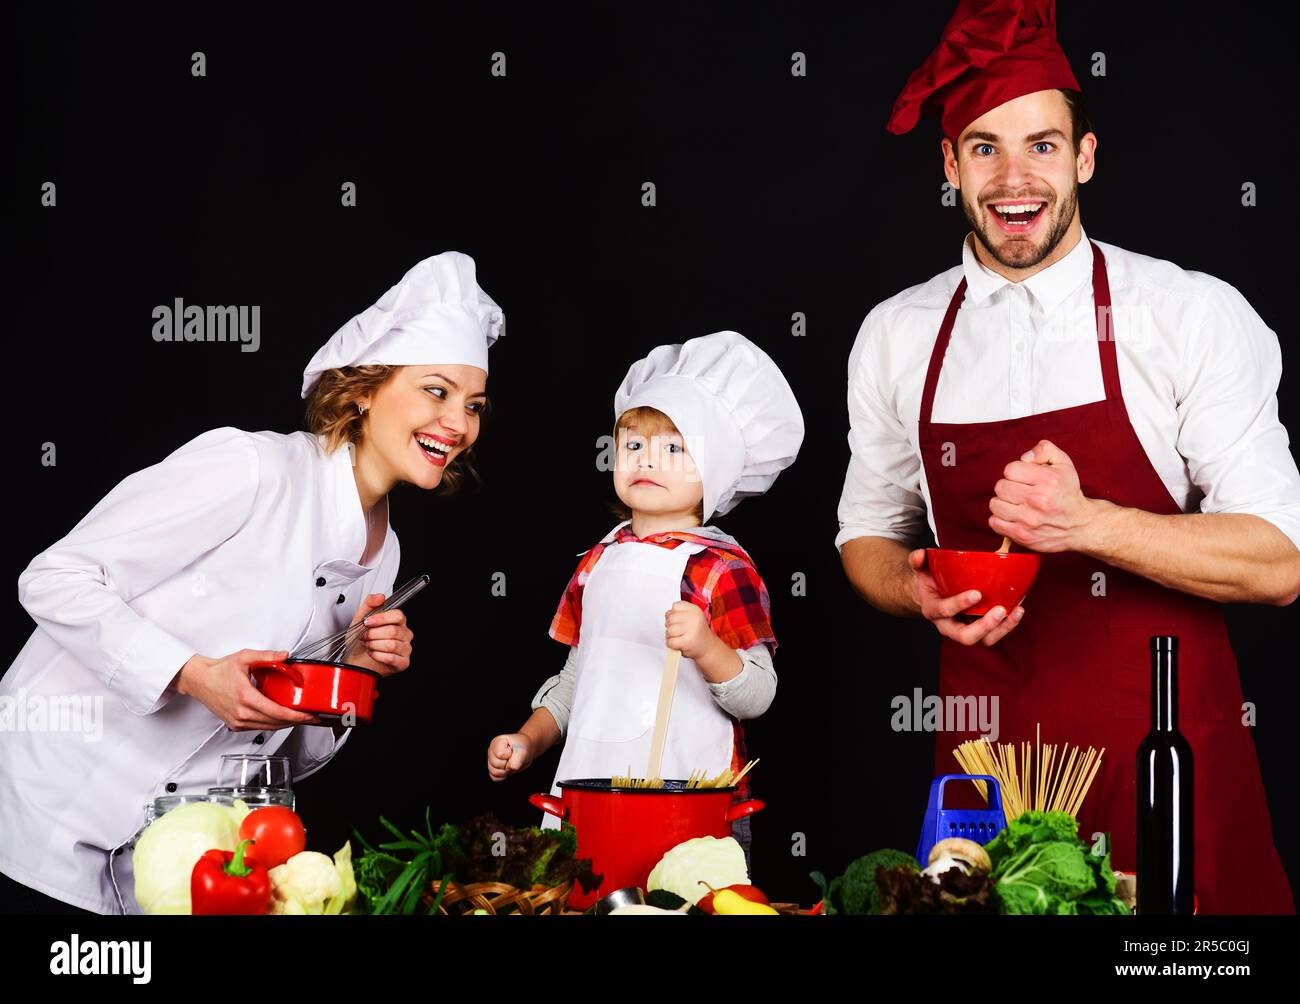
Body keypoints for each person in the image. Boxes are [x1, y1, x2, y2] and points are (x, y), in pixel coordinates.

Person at [837, 0, 1300, 913]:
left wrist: (1089, 524)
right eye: (985, 148)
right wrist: (915, 589)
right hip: (985, 770)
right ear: (949, 165)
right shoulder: (896, 334)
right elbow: (865, 537)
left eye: (1042, 146)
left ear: (1084, 157)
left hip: (1164, 755)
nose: (1015, 178)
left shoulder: (1186, 313)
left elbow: (1280, 560)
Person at [0, 251, 502, 913]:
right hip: (46, 815)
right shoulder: (254, 470)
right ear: (364, 388)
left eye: (473, 405)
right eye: (437, 391)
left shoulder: (387, 554)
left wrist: (354, 673)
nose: (459, 424)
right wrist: (190, 674)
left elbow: (281, 754)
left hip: (173, 863)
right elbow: (53, 578)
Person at [487, 331, 803, 868]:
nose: (646, 461)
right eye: (633, 446)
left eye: (674, 448)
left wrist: (706, 647)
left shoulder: (721, 569)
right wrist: (528, 740)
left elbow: (758, 696)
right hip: (589, 801)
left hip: (691, 809)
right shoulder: (598, 561)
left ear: (716, 468)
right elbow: (575, 683)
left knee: (677, 895)